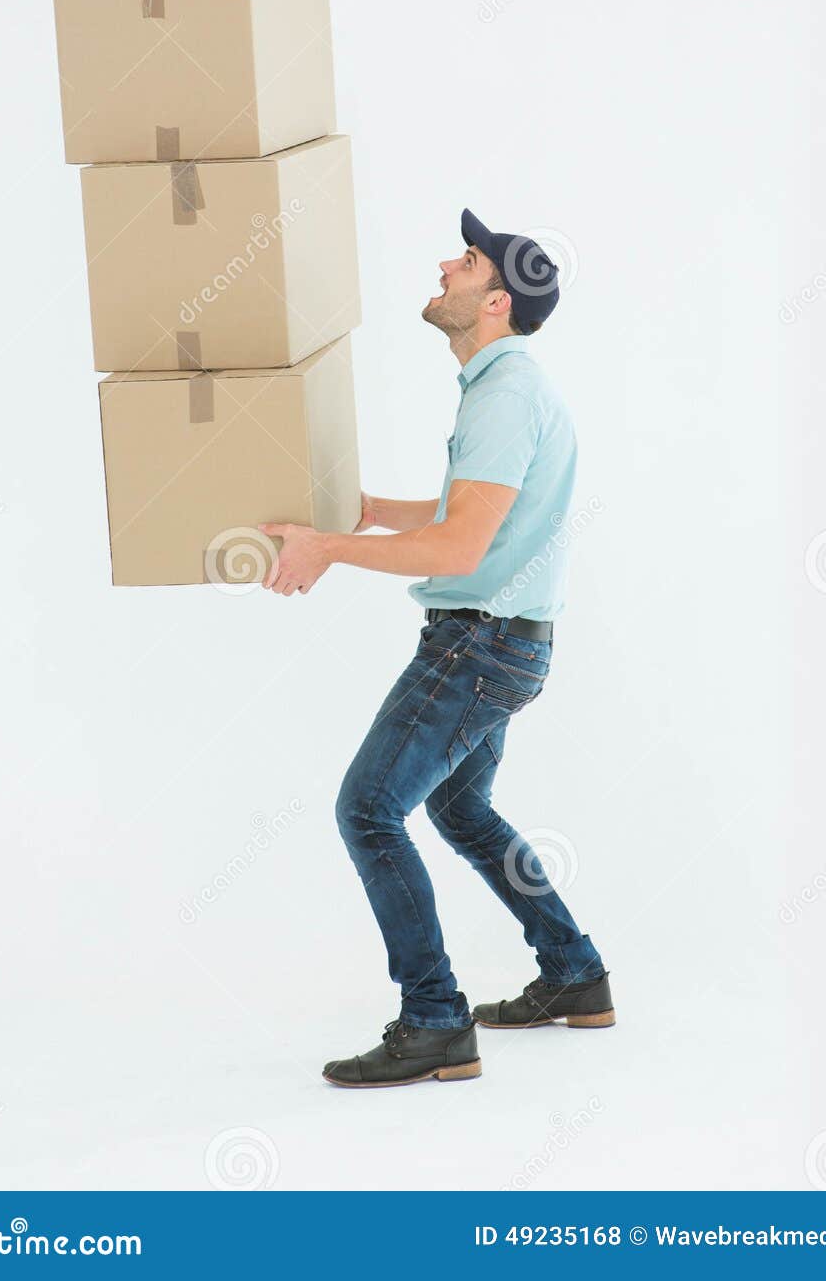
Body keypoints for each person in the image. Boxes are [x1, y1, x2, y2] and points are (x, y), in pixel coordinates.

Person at [260, 210, 613, 1089]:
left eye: (465, 262)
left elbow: (460, 554)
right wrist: (381, 510)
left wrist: (329, 549)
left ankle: (434, 1023)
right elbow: (477, 518)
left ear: (495, 300)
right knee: (460, 811)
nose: (445, 265)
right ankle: (574, 973)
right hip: (505, 644)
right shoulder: (506, 388)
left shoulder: (501, 397)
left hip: (477, 648)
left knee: (368, 811)